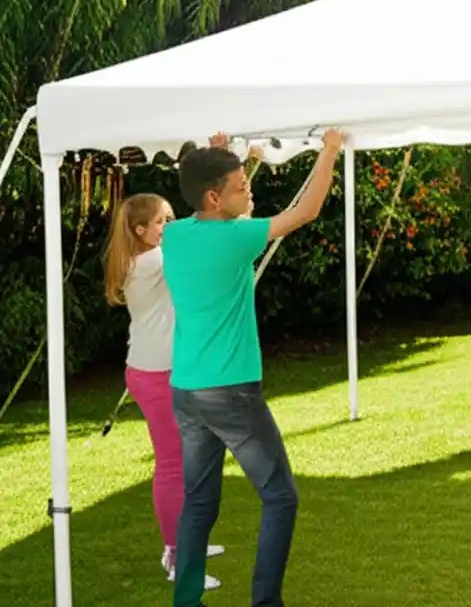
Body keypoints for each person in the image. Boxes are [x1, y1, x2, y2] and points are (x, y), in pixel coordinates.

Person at [163, 129, 344, 607]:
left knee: (199, 503)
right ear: (213, 195)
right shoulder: (237, 237)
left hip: (186, 391)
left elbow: (211, 209)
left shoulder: (176, 235)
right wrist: (329, 150)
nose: (249, 190)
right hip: (230, 394)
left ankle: (186, 601)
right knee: (280, 496)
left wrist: (223, 154)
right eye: (241, 183)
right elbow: (305, 212)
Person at [104, 193, 224, 591]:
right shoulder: (152, 261)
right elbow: (204, 240)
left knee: (189, 461)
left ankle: (186, 542)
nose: (168, 226)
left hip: (161, 371)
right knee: (174, 465)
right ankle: (177, 556)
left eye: (170, 218)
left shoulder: (149, 259)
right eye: (161, 221)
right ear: (141, 231)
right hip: (156, 377)